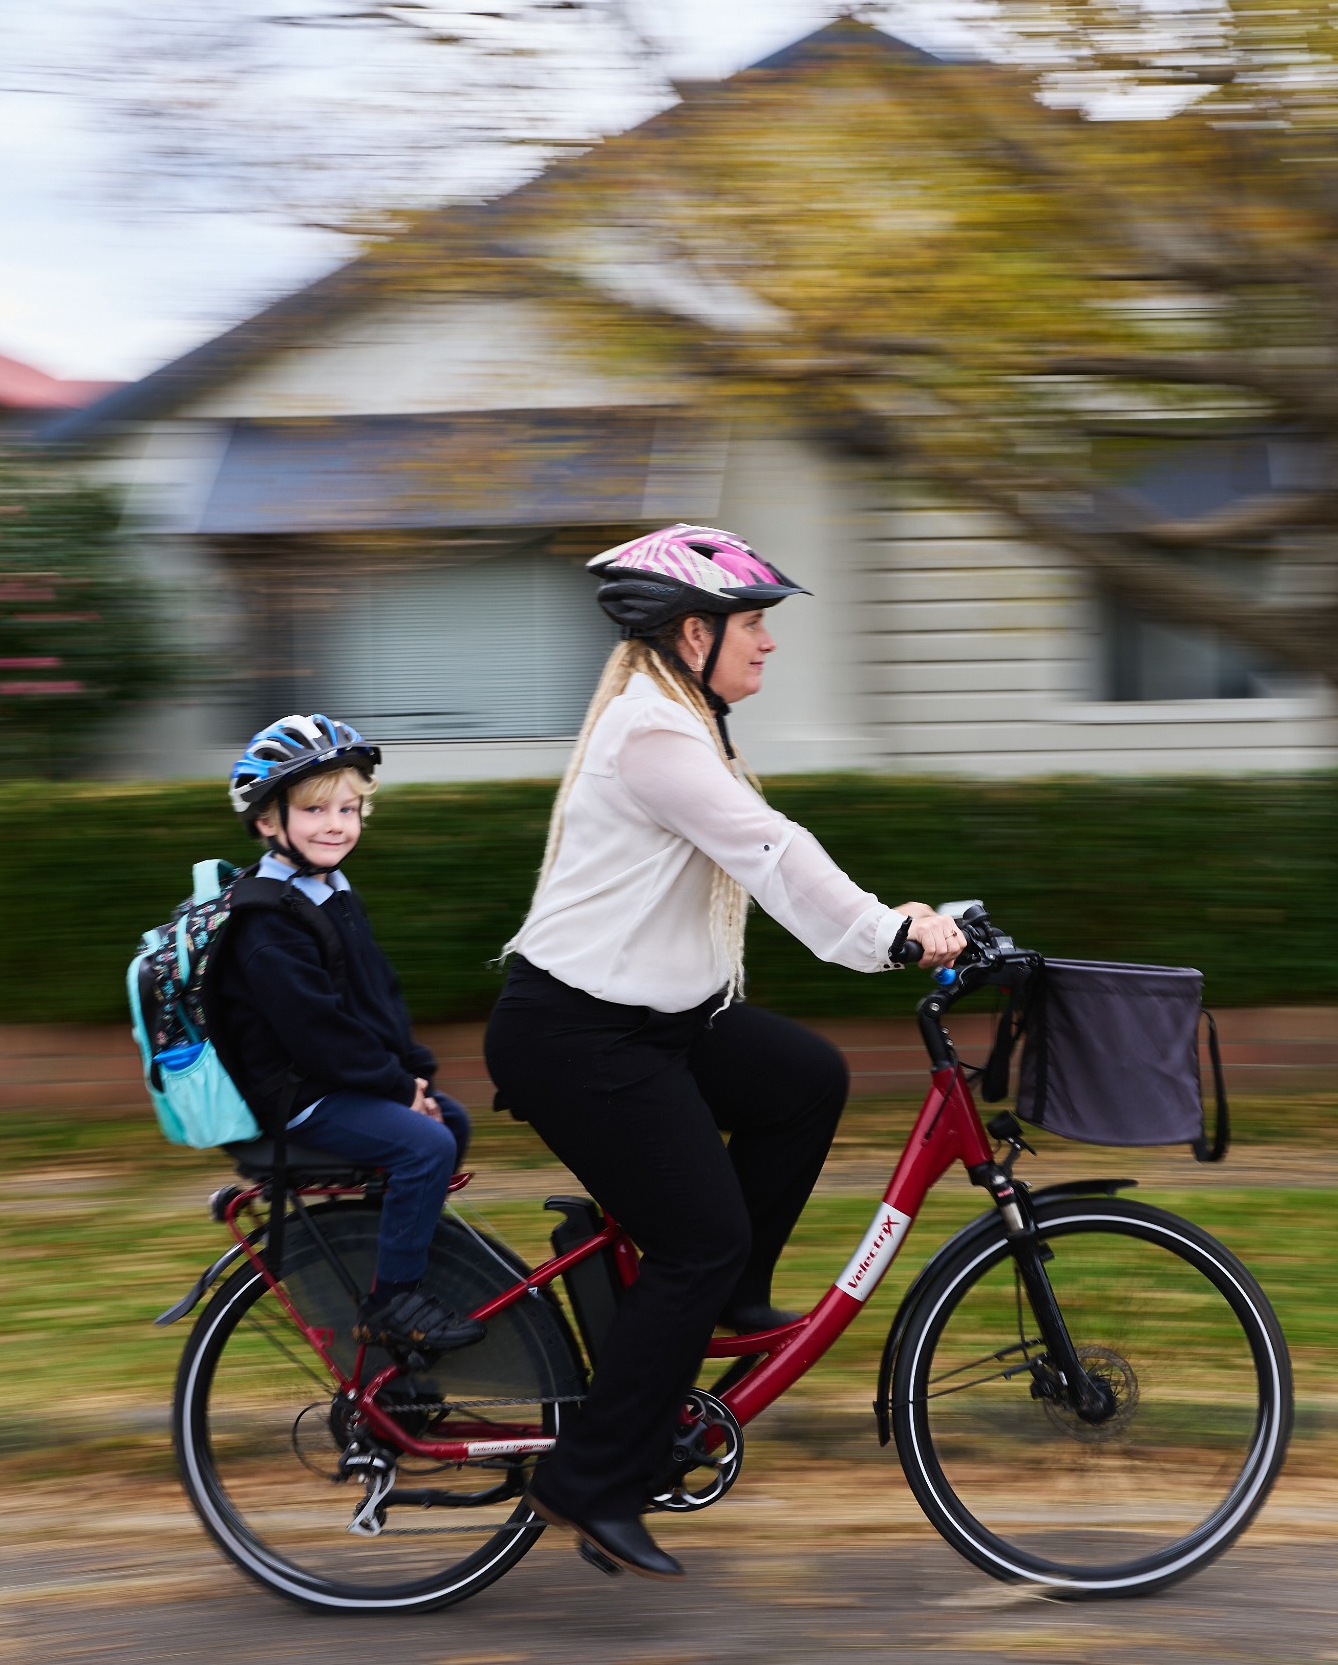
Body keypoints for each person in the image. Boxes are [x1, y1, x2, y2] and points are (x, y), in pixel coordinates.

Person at [484, 524, 966, 1581]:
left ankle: (731, 1293)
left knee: (803, 1078)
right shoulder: (653, 733)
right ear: (692, 631)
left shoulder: (686, 719)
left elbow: (762, 841)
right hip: (579, 1033)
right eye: (755, 622)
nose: (769, 643)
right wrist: (890, 931)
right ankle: (593, 1476)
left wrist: (899, 916)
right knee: (692, 1236)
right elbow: (768, 846)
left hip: (658, 1016)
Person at [206, 713, 484, 1362]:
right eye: (315, 809)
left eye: (350, 807)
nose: (337, 823)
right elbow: (319, 1034)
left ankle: (388, 1257)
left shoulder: (327, 889)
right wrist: (394, 1087)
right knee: (423, 1145)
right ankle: (392, 1304)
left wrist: (417, 1075)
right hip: (296, 1096)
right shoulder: (264, 918)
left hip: (334, 1080)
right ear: (268, 822)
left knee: (449, 1122)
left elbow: (376, 995)